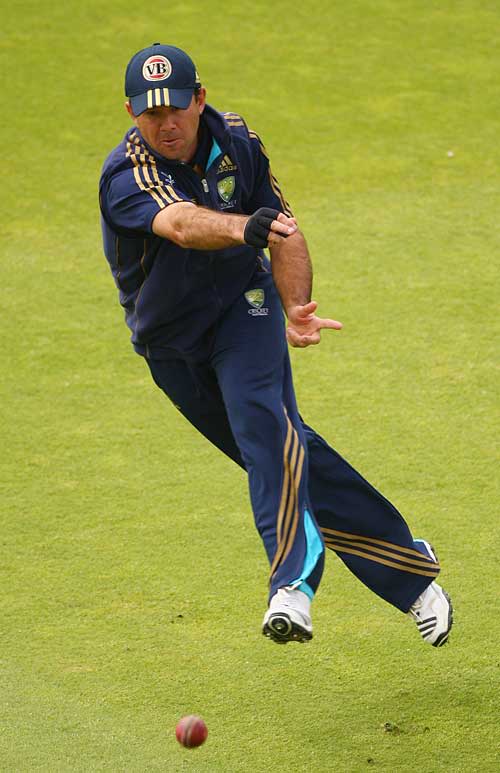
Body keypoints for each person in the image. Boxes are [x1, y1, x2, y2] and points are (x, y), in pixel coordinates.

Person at [99, 43, 453, 647]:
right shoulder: (127, 174)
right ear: (132, 112)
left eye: (176, 108)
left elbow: (284, 230)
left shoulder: (238, 141)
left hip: (245, 309)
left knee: (264, 427)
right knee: (286, 449)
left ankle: (292, 585)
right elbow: (182, 223)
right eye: (151, 113)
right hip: (171, 345)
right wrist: (247, 227)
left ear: (199, 99)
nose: (166, 124)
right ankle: (410, 569)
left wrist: (295, 306)